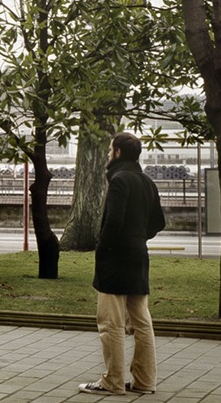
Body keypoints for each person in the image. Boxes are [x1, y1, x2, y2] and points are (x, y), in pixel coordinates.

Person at [80, 131, 165, 395]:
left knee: (111, 323)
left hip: (115, 258)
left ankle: (113, 381)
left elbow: (113, 222)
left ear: (118, 153)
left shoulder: (118, 180)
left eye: (110, 150)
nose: (108, 154)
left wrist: (103, 249)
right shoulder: (146, 181)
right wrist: (139, 237)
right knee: (141, 321)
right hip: (139, 255)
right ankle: (144, 381)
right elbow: (158, 222)